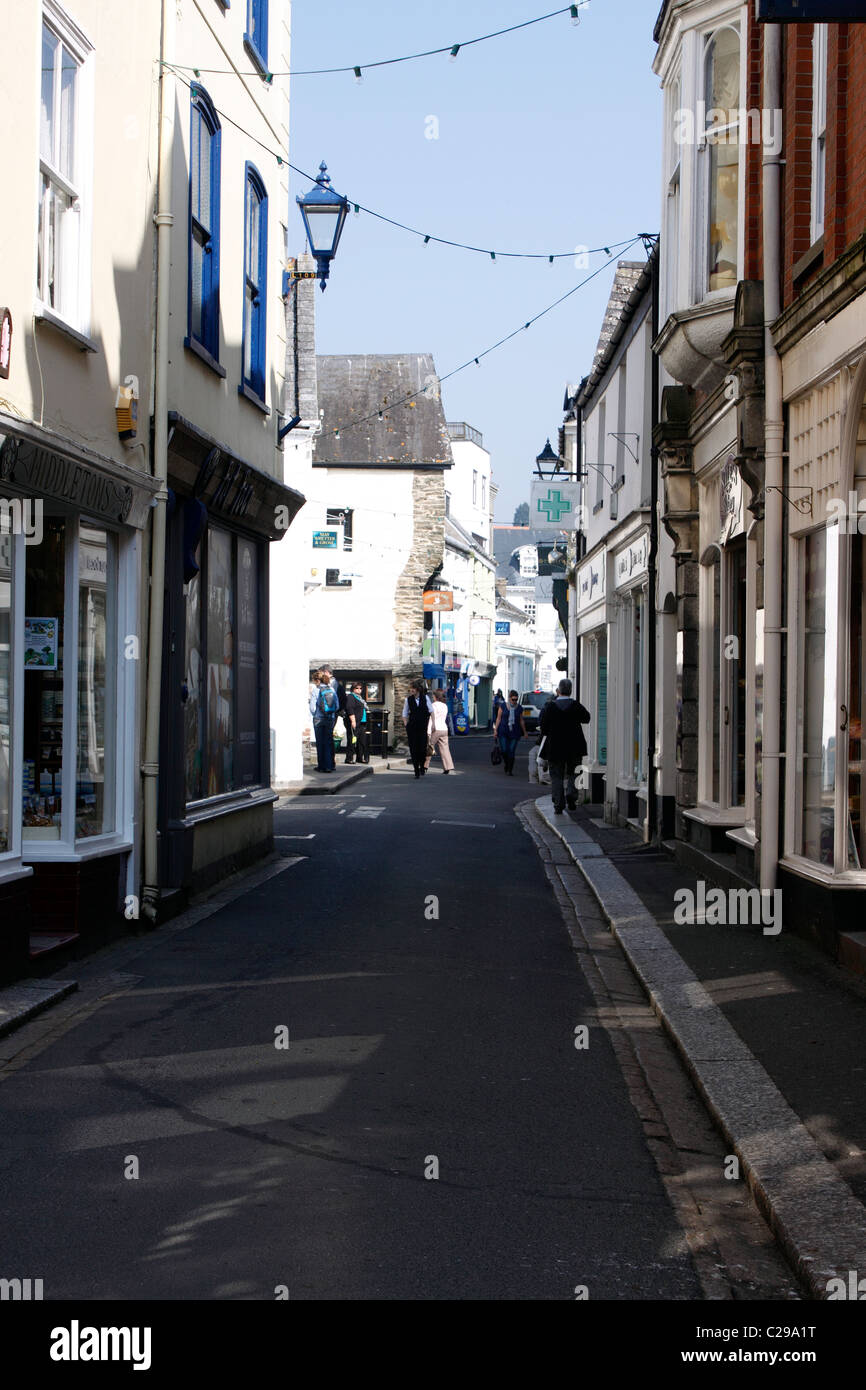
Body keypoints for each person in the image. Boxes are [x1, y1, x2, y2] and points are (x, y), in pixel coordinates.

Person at [539, 677, 591, 814]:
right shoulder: (575, 706)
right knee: (575, 772)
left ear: (559, 690)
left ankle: (558, 804)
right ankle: (571, 795)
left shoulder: (550, 707)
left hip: (555, 747)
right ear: (571, 690)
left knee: (556, 776)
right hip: (574, 747)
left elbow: (543, 728)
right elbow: (587, 718)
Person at [402, 680, 433, 778]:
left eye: (413, 689)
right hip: (412, 727)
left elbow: (431, 711)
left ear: (418, 689)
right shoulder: (408, 700)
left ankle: (422, 766)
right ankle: (416, 770)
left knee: (422, 749)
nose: (411, 690)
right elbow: (405, 713)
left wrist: (433, 724)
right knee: (413, 749)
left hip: (423, 727)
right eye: (410, 689)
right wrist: (406, 724)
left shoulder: (425, 698)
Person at [310, 670, 339, 772]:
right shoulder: (331, 689)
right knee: (328, 742)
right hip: (330, 719)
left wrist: (316, 715)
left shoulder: (316, 690)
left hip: (319, 719)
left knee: (320, 743)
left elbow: (312, 708)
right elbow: (337, 706)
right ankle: (330, 765)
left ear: (317, 680)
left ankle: (321, 766)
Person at [493, 690, 526, 776]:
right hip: (503, 731)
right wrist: (495, 729)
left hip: (515, 732)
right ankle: (506, 764)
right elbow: (498, 718)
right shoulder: (503, 706)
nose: (515, 701)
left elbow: (521, 720)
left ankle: (509, 769)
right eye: (513, 699)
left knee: (511, 750)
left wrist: (525, 732)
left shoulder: (519, 708)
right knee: (504, 750)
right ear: (509, 698)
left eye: (516, 699)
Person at [425, 689, 455, 774]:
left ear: (435, 697)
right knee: (445, 748)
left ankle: (425, 766)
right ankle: (448, 767)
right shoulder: (445, 706)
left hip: (435, 729)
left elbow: (431, 718)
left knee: (429, 747)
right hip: (444, 729)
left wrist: (428, 731)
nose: (432, 697)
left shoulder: (433, 705)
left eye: (433, 696)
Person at [345, 682, 371, 764]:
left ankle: (359, 758)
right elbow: (349, 709)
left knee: (361, 741)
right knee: (352, 740)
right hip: (354, 722)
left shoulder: (360, 698)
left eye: (360, 688)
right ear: (353, 689)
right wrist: (353, 721)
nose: (359, 690)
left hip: (362, 722)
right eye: (357, 688)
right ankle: (349, 758)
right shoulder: (350, 697)